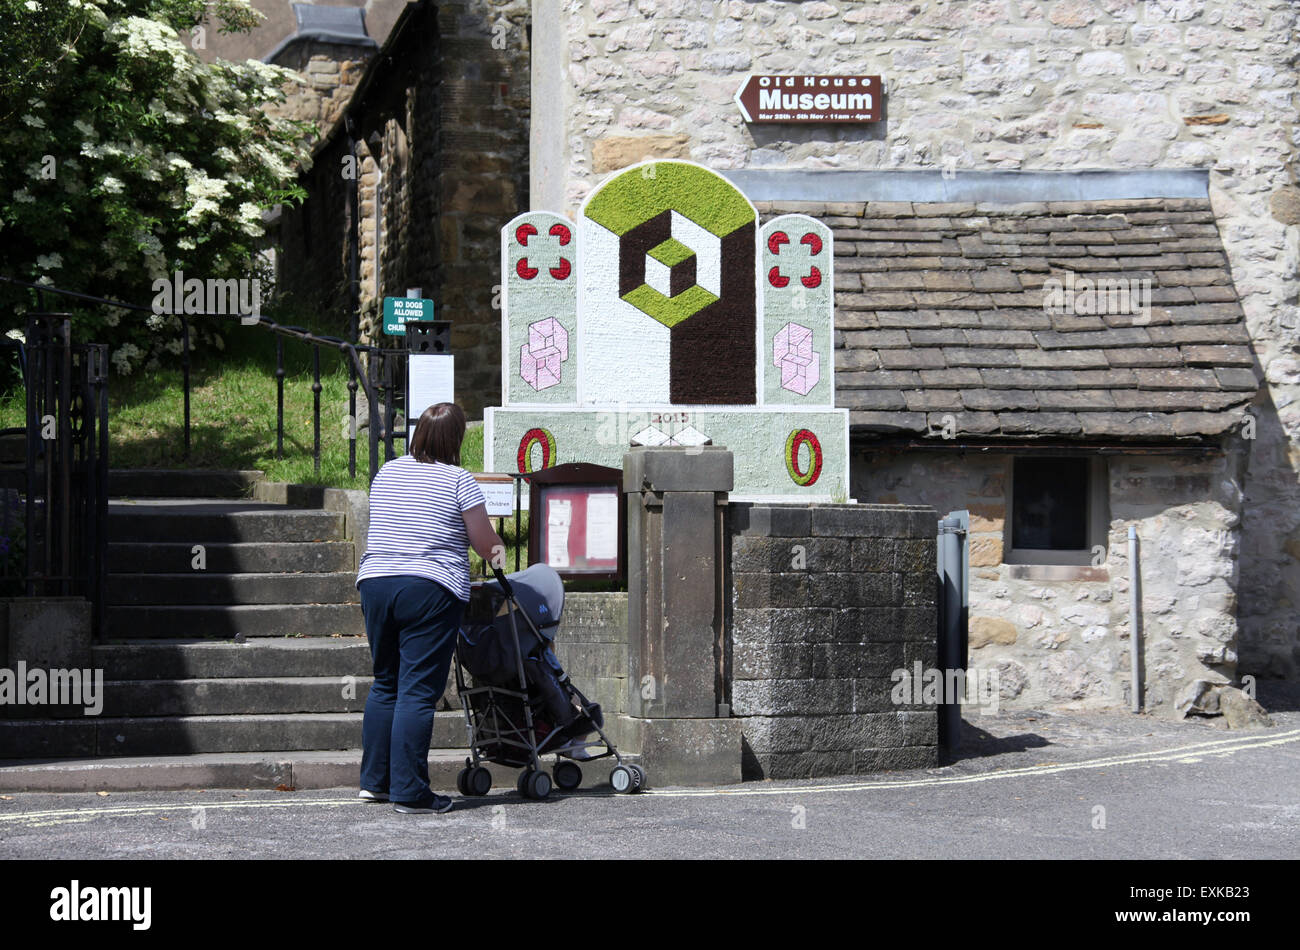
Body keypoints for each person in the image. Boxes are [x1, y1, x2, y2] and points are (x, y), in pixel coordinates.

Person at [355, 402, 505, 814]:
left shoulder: (388, 471)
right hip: (428, 588)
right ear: (455, 440)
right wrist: (501, 557)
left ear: (419, 433)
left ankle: (375, 783)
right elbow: (484, 543)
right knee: (419, 692)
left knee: (385, 683)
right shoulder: (459, 481)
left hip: (376, 584)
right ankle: (410, 792)